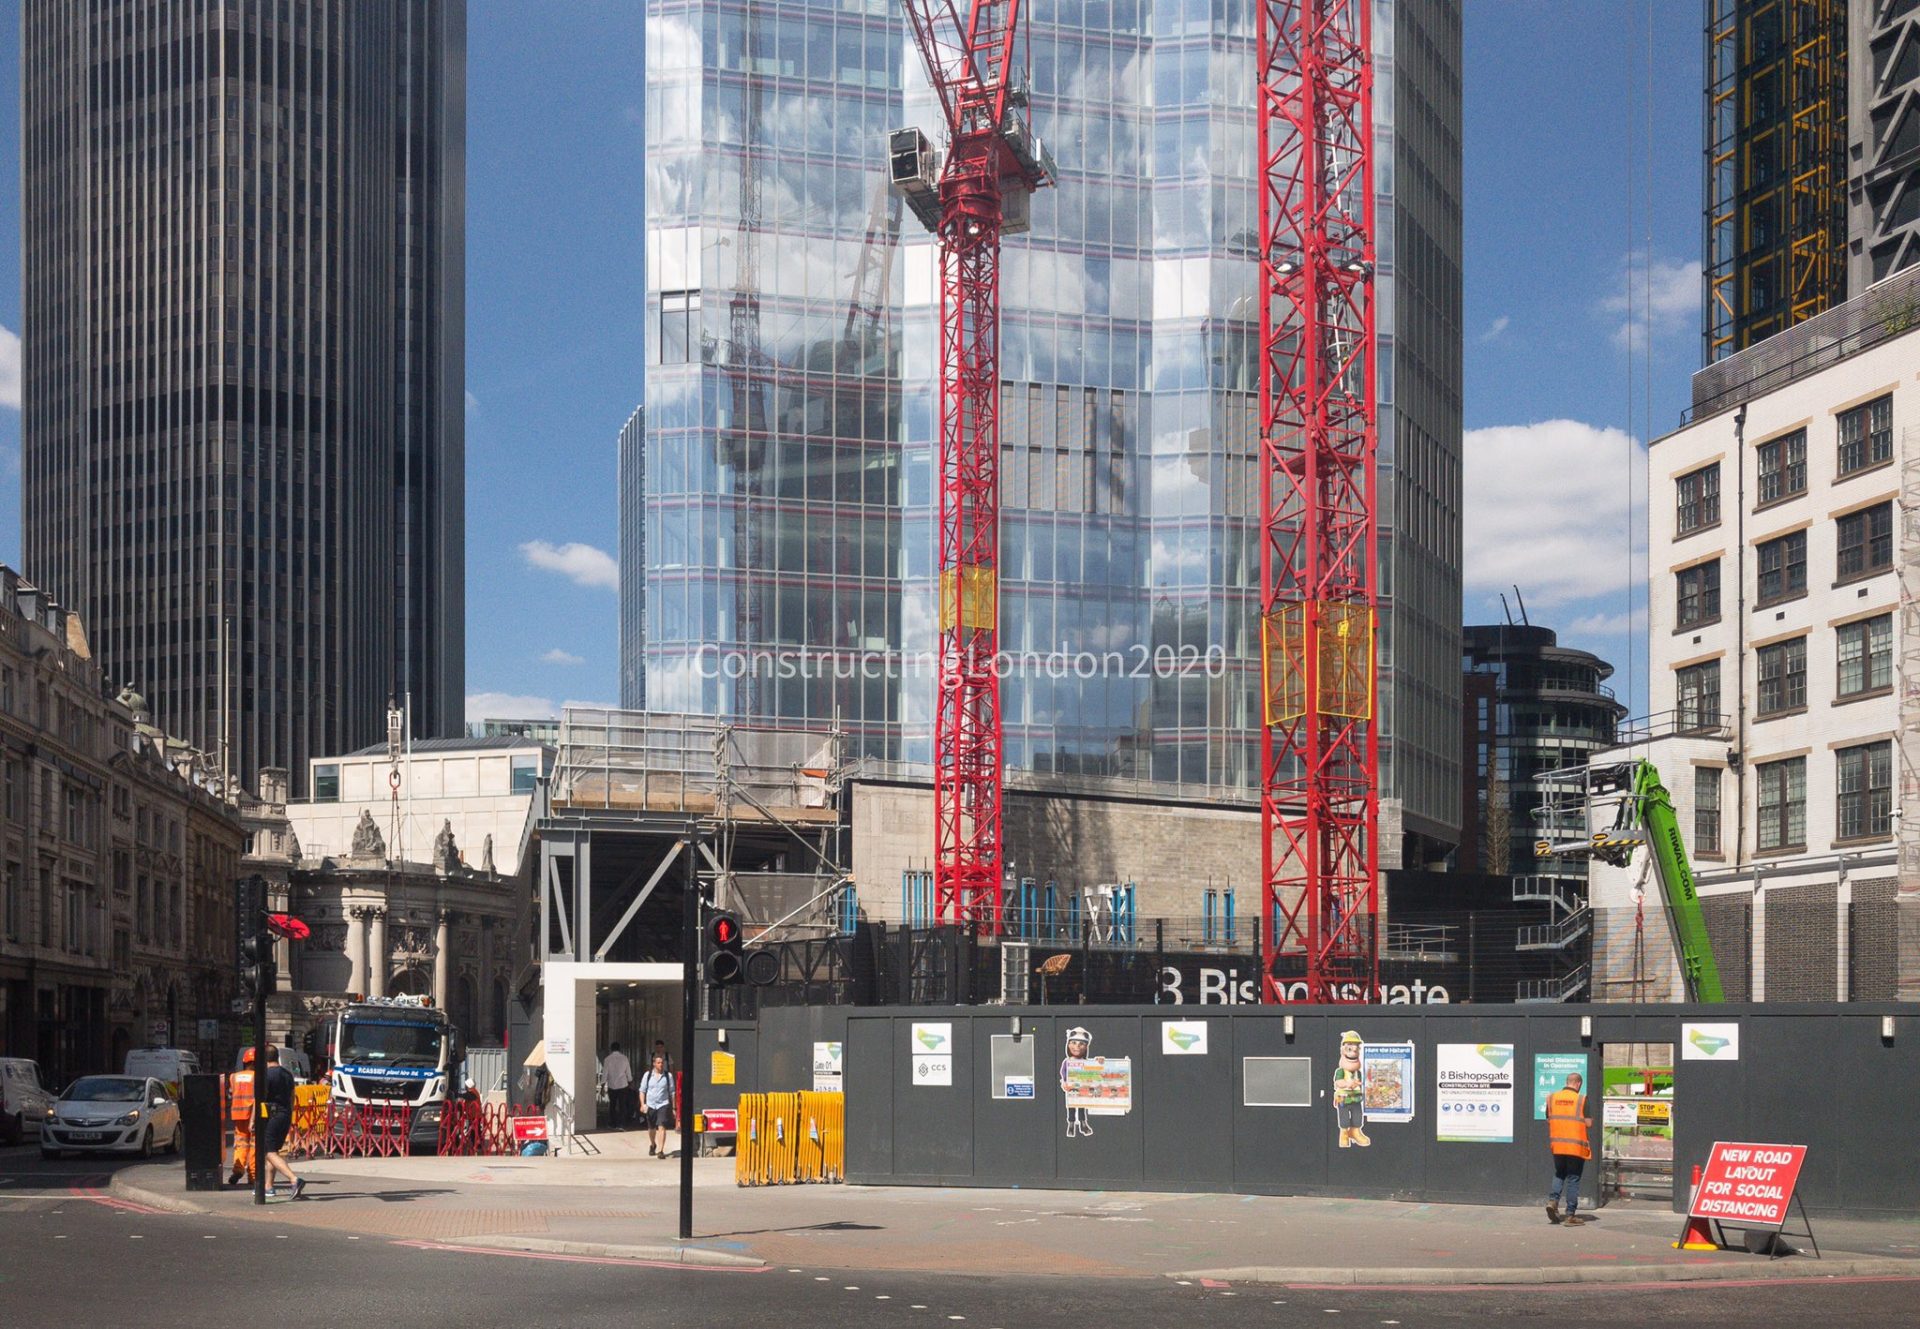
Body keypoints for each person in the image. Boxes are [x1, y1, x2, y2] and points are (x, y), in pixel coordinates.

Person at [1545, 1071, 1592, 1225]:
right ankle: (1570, 1215)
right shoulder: (1581, 1099)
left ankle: (1553, 1201)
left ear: (1567, 1082)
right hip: (1575, 1146)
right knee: (1573, 1178)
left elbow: (1549, 1119)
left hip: (1558, 1145)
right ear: (1578, 1084)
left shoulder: (1552, 1098)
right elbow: (1589, 1123)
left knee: (1559, 1173)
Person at [259, 1046, 305, 1200]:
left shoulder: (266, 1075)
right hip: (285, 1114)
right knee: (274, 1151)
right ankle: (268, 1186)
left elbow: (260, 1099)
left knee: (268, 1152)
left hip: (272, 1115)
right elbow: (292, 1096)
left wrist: (253, 1120)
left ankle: (294, 1179)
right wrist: (289, 1113)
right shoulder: (287, 1074)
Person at [639, 1053, 676, 1158]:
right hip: (650, 1104)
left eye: (662, 1063)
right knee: (651, 1128)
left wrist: (674, 1107)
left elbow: (672, 1092)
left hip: (663, 1104)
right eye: (659, 1063)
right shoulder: (647, 1075)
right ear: (654, 1064)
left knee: (662, 1125)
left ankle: (660, 1150)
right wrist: (642, 1104)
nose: (661, 1065)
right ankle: (653, 1144)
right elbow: (642, 1090)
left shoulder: (668, 1076)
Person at [602, 1041, 635, 1130]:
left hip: (612, 1085)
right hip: (623, 1085)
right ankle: (622, 1124)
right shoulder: (624, 1058)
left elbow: (605, 1074)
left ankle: (612, 1123)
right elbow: (628, 1072)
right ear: (619, 1049)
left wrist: (602, 1086)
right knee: (622, 1105)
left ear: (611, 1049)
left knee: (612, 1105)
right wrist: (630, 1082)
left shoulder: (607, 1059)